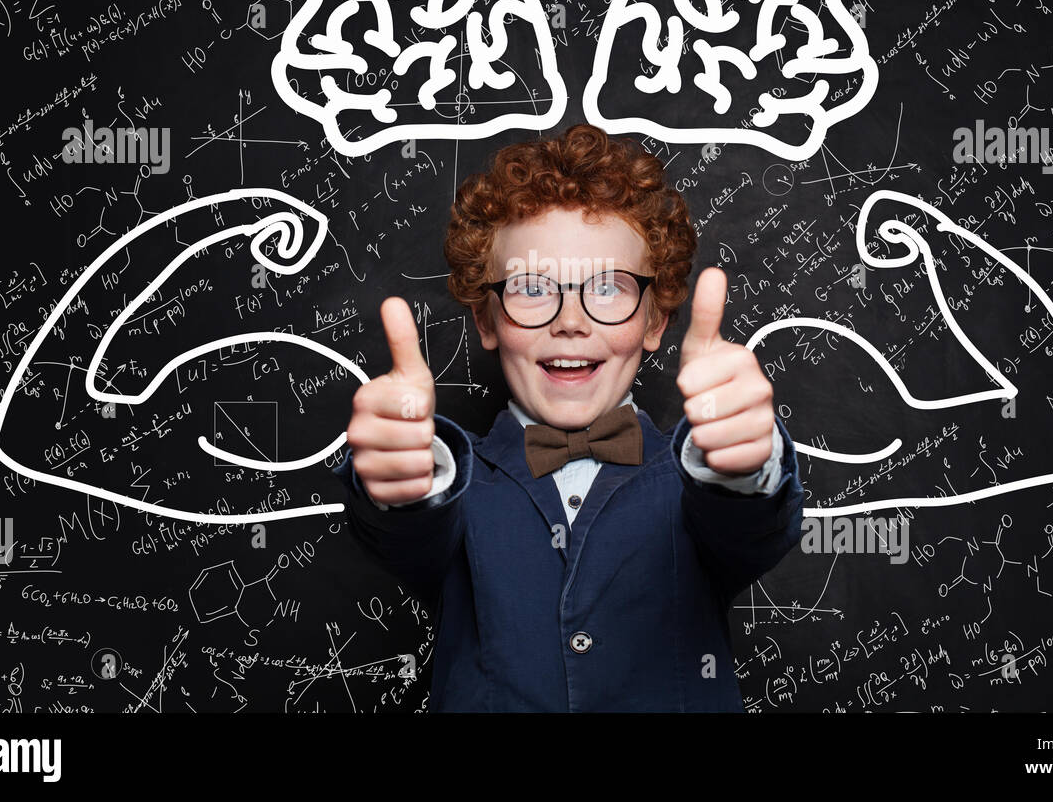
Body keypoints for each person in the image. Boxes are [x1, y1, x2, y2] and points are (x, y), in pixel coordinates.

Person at [334, 123, 804, 711]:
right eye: (533, 287)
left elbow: (753, 520)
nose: (571, 321)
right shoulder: (451, 483)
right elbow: (404, 528)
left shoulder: (699, 482)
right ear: (487, 320)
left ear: (654, 322)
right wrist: (402, 477)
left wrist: (744, 464)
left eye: (607, 287)